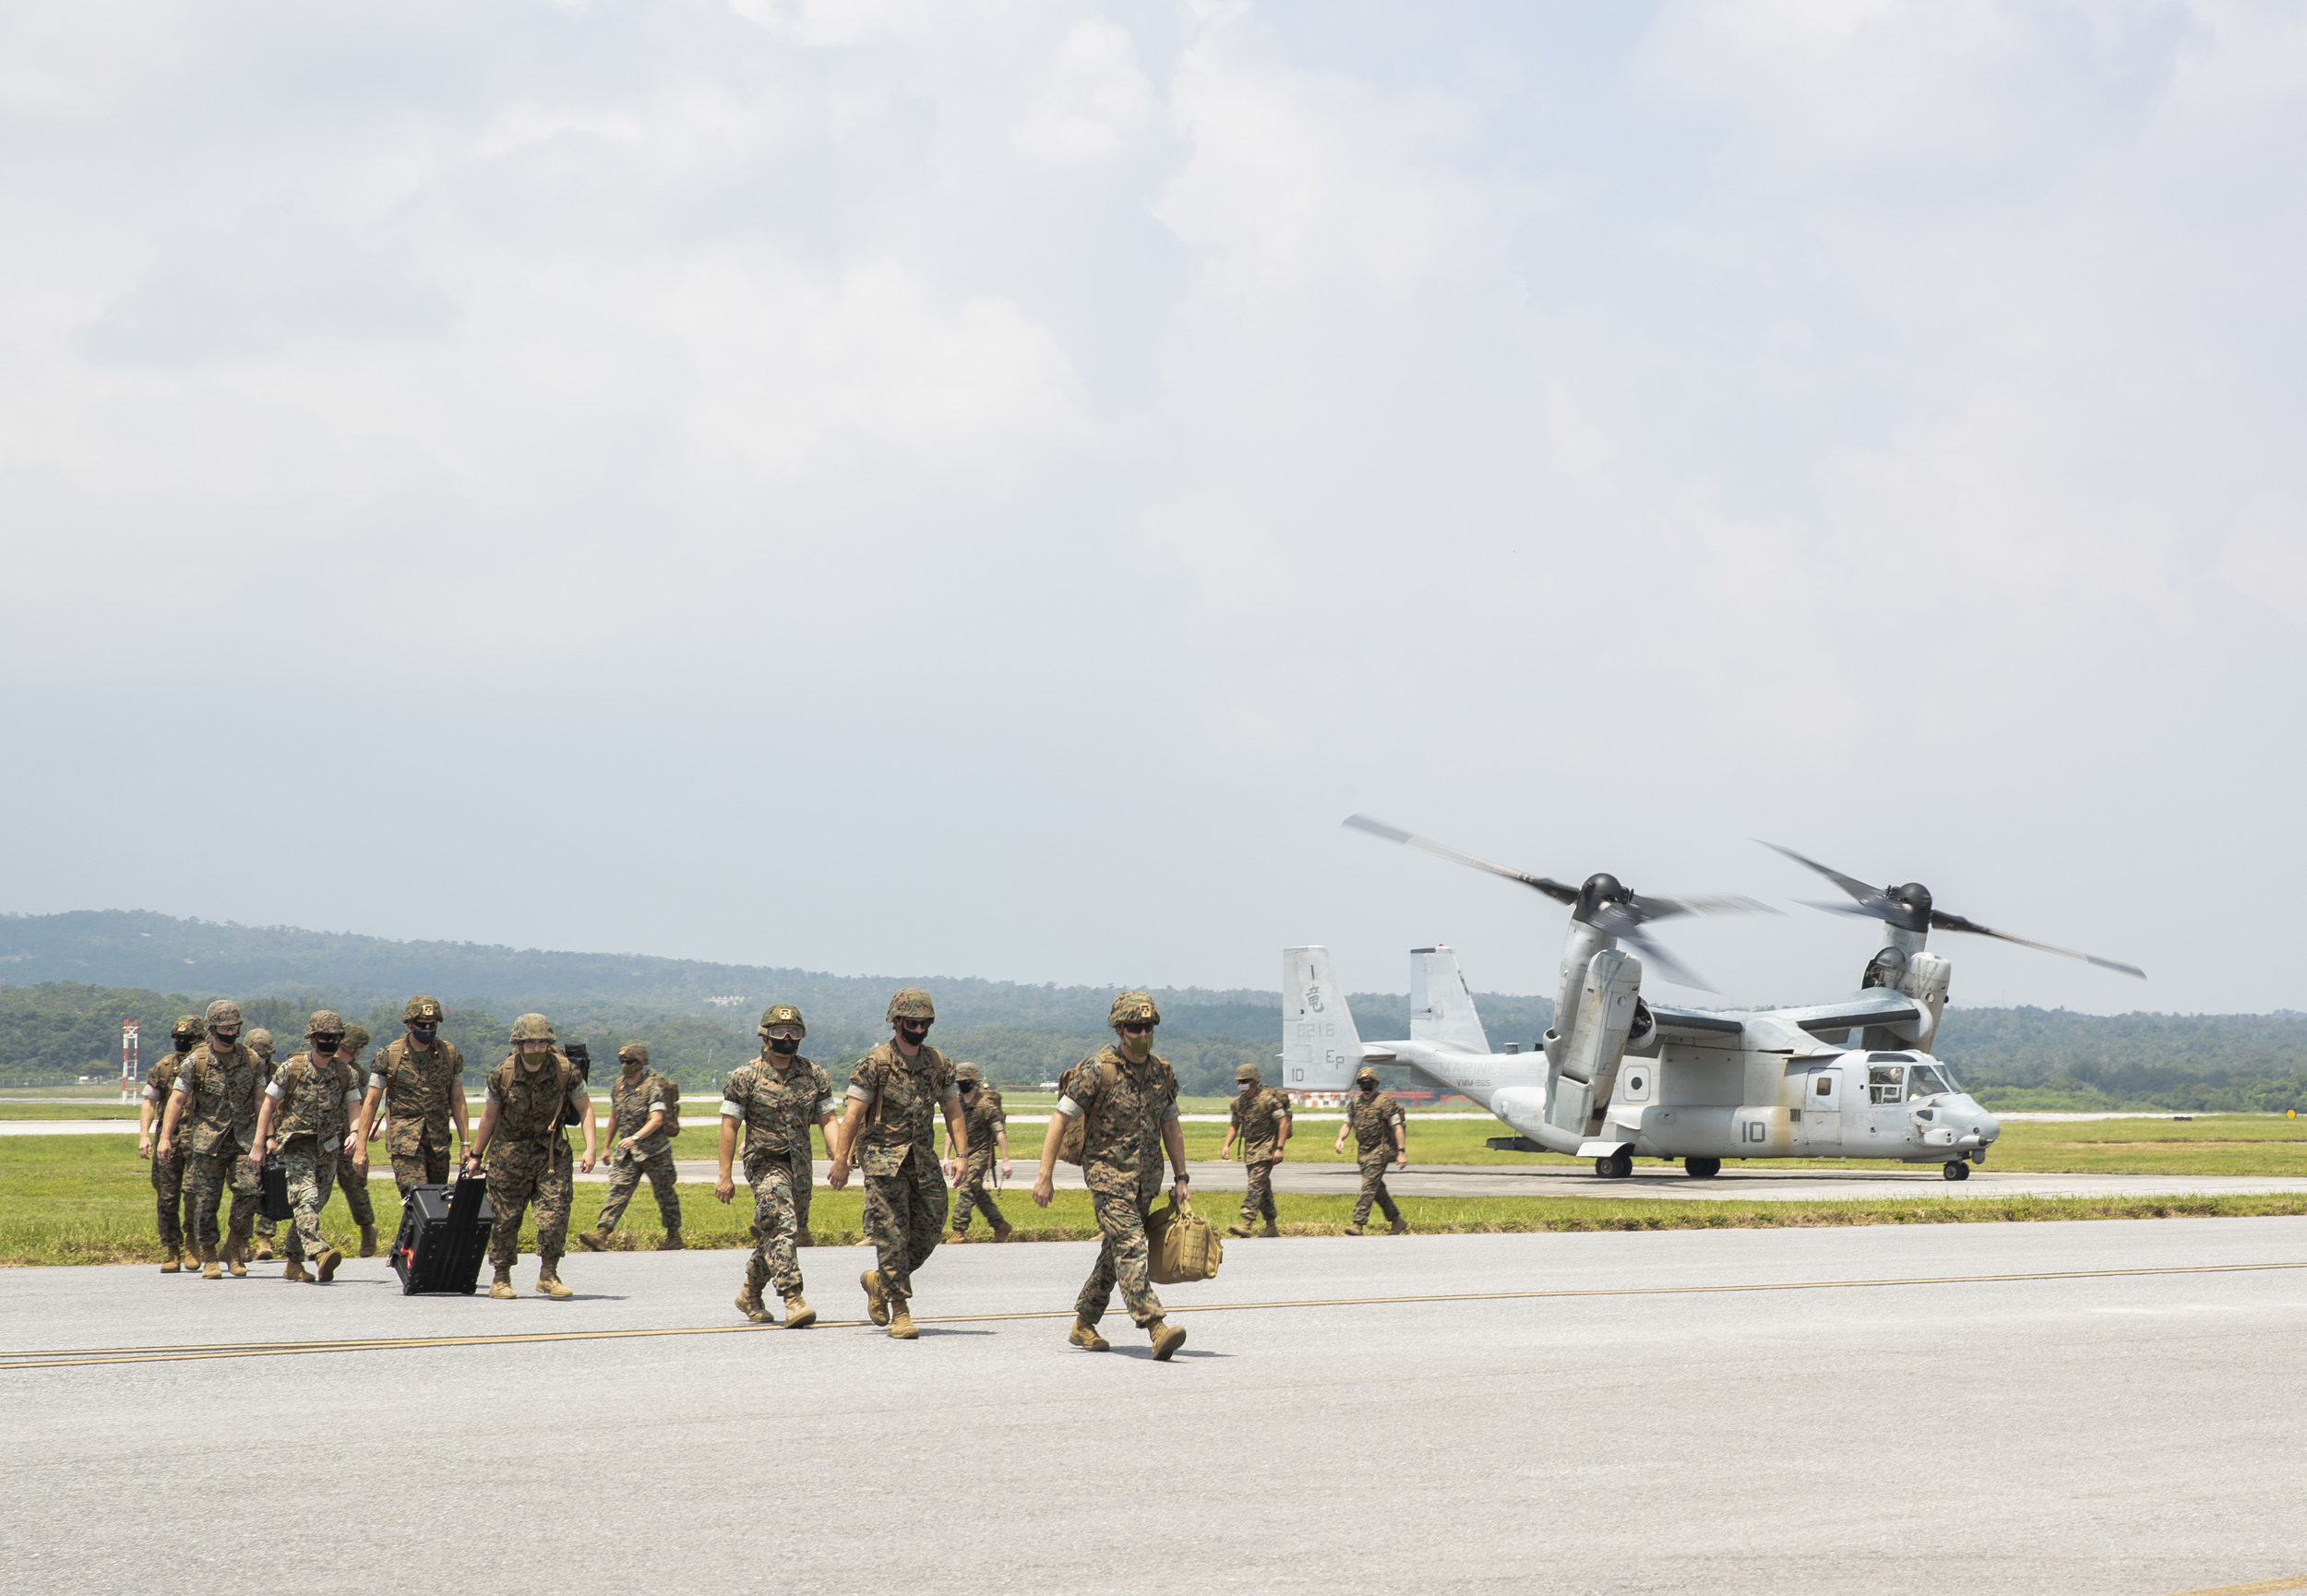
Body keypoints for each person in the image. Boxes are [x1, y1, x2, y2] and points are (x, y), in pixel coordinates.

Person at [1030, 992, 1189, 1360]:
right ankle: (1155, 1326)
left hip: (1146, 1179)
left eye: (1149, 1027)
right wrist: (1044, 1175)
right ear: (1120, 1029)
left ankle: (1084, 1322)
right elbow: (1060, 1119)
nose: (1143, 1033)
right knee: (1132, 1246)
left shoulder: (1160, 1072)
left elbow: (1171, 1125)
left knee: (1114, 1253)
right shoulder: (1097, 1070)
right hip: (1107, 1177)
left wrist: (1181, 1178)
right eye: (1136, 1027)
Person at [827, 988, 967, 1340]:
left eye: (924, 1023)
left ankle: (880, 1282)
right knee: (892, 1236)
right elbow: (853, 1113)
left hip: (922, 1160)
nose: (918, 1029)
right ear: (897, 1022)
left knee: (932, 1229)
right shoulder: (875, 1063)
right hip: (882, 1162)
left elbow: (952, 1110)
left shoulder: (938, 1064)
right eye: (912, 1022)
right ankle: (900, 1312)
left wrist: (963, 1155)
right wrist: (841, 1160)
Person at [715, 1005, 838, 1328]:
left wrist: (839, 1156)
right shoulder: (745, 1076)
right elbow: (729, 1126)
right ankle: (793, 1299)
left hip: (800, 1165)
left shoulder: (815, 1075)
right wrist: (724, 1176)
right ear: (765, 1036)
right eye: (779, 1033)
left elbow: (828, 1119)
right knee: (782, 1224)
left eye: (794, 1033)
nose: (787, 1038)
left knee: (781, 1234)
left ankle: (749, 1293)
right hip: (764, 1163)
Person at [463, 1013, 595, 1300]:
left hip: (551, 1155)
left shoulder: (566, 1071)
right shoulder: (502, 1074)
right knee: (505, 1219)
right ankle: (500, 1277)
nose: (536, 1049)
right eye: (530, 1043)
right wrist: (476, 1155)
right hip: (509, 1156)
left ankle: (548, 1275)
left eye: (541, 1043)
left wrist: (591, 1147)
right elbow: (488, 1117)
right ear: (518, 1044)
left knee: (555, 1215)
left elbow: (585, 1109)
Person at [249, 1012, 362, 1283]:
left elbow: (353, 1105)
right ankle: (319, 1252)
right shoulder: (292, 1068)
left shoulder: (345, 1073)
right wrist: (261, 1141)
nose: (330, 1042)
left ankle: (293, 1262)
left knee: (314, 1204)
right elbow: (268, 1105)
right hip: (296, 1144)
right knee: (305, 1198)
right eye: (324, 1037)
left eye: (335, 1038)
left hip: (328, 1146)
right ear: (312, 1038)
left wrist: (356, 1132)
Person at [156, 1000, 264, 1280]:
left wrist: (266, 1137)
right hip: (208, 1141)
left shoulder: (251, 1059)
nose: (232, 1031)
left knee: (250, 1192)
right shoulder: (196, 1062)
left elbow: (261, 1100)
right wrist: (165, 1138)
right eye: (226, 1027)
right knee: (206, 1201)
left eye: (236, 1026)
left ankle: (234, 1247)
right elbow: (176, 1100)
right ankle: (209, 1255)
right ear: (212, 1029)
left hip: (243, 1139)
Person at [355, 995, 469, 1197]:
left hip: (438, 1143)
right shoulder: (389, 1056)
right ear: (409, 1024)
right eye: (421, 1024)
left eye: (432, 1025)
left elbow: (458, 1100)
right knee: (417, 1198)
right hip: (405, 1143)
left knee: (437, 1201)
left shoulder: (450, 1055)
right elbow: (372, 1102)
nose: (427, 1029)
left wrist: (466, 1144)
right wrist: (361, 1148)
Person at [576, 1042, 682, 1252]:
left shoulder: (652, 1087)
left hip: (655, 1151)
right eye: (622, 1061)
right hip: (628, 1153)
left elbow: (657, 1119)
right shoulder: (619, 1086)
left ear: (640, 1063)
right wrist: (606, 1147)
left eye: (630, 1062)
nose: (625, 1065)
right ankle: (602, 1234)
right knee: (618, 1190)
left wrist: (635, 1137)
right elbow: (615, 1117)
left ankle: (674, 1236)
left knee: (664, 1193)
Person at [137, 1014, 205, 1274]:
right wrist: (145, 1135)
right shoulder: (163, 1067)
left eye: (187, 1039)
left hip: (199, 1140)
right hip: (170, 1140)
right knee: (166, 1198)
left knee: (193, 1195)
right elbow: (149, 1101)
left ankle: (192, 1243)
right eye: (178, 1039)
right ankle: (171, 1249)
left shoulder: (207, 1066)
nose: (182, 1043)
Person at [1218, 1062, 1293, 1239]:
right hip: (1250, 1150)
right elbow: (1234, 1126)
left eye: (1246, 1080)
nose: (1242, 1084)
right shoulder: (1238, 1104)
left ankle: (1246, 1222)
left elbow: (1283, 1123)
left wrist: (1279, 1148)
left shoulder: (1268, 1100)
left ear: (1255, 1081)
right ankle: (1271, 1226)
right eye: (1240, 1081)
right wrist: (1226, 1145)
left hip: (1267, 1148)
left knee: (1255, 1184)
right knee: (1263, 1187)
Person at [1333, 1066, 1409, 1236]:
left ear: (1375, 1084)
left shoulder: (1384, 1103)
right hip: (1364, 1152)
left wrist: (1401, 1152)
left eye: (1369, 1083)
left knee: (1368, 1187)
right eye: (1362, 1083)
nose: (1365, 1085)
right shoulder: (1355, 1104)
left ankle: (1358, 1223)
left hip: (1381, 1151)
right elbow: (1347, 1124)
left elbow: (1397, 1127)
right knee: (1377, 1189)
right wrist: (1340, 1139)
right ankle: (1397, 1221)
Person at [945, 1063, 1011, 1242]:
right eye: (959, 1081)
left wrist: (1005, 1160)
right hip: (964, 1154)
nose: (961, 1084)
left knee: (967, 1187)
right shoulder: (957, 1103)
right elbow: (950, 1130)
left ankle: (959, 1230)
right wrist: (945, 1157)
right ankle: (1000, 1225)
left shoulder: (985, 1105)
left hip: (981, 1154)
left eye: (965, 1081)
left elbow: (999, 1133)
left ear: (974, 1081)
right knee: (977, 1191)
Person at [331, 1023, 379, 1256]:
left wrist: (367, 1128)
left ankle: (368, 1230)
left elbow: (362, 1105)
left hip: (348, 1139)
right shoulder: (320, 1066)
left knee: (355, 1187)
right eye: (357, 1048)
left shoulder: (358, 1073)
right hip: (320, 1137)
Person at [244, 1028, 281, 1261]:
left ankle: (265, 1239)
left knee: (273, 1188)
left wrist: (273, 1137)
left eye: (266, 1057)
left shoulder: (281, 1072)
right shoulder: (242, 1074)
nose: (263, 1062)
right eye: (258, 1057)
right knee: (247, 1191)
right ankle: (242, 1240)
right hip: (248, 1138)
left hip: (275, 1138)